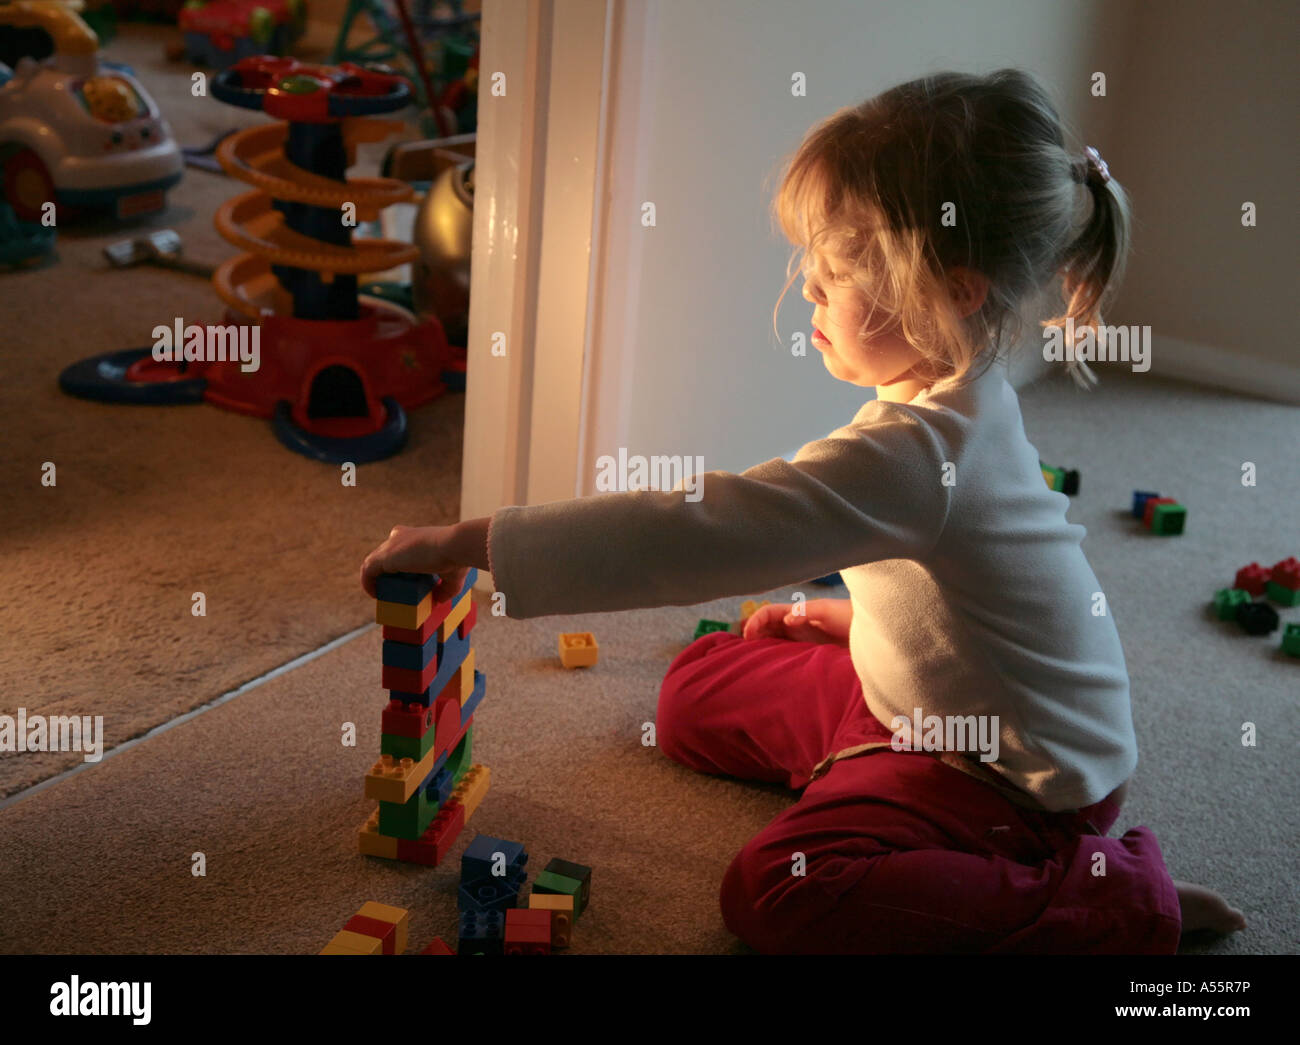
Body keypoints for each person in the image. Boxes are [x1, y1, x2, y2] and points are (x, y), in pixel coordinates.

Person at [361, 69, 1246, 954]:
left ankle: (1116, 898)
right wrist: (867, 622)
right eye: (812, 264)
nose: (809, 289)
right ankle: (868, 770)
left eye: (837, 272)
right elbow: (971, 585)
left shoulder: (914, 453)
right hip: (919, 707)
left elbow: (694, 530)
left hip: (1013, 780)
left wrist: (475, 540)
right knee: (691, 692)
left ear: (957, 288)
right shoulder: (956, 396)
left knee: (775, 893)